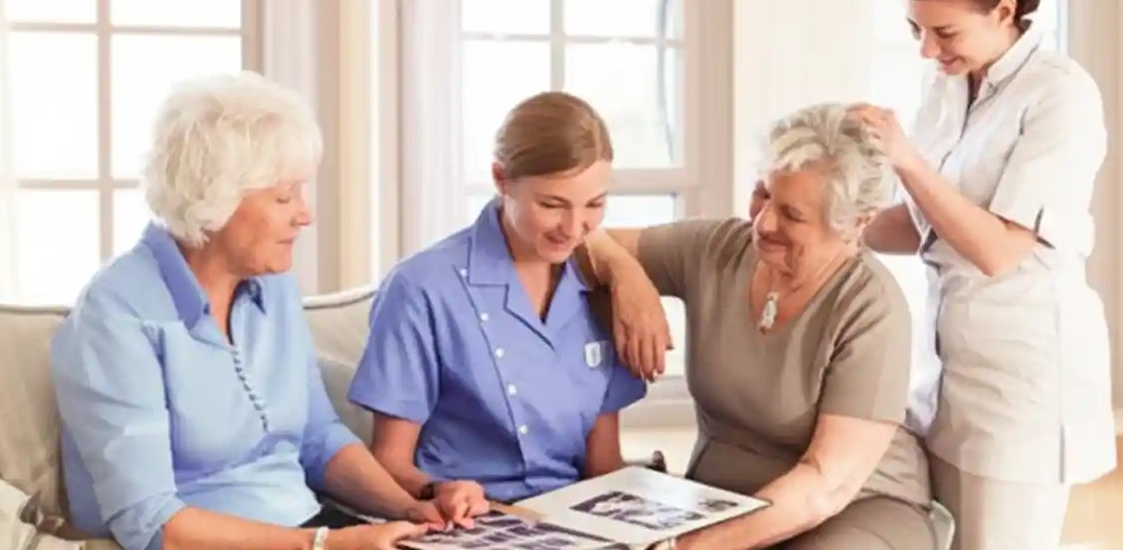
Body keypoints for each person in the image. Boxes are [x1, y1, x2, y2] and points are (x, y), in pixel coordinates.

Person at [51, 72, 441, 550]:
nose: (305, 214)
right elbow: (151, 524)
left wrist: (414, 508)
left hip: (309, 527)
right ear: (215, 198)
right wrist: (325, 545)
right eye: (284, 196)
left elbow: (318, 438)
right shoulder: (116, 315)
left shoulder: (273, 288)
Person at [851, 0, 1115, 550]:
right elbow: (926, 224)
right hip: (943, 379)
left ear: (1004, 10)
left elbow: (997, 250)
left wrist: (906, 158)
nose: (928, 50)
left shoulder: (1060, 94)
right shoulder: (946, 84)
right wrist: (831, 223)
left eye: (945, 32)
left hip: (1020, 389)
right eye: (916, 30)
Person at [579, 104, 935, 549]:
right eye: (761, 194)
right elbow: (578, 236)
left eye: (792, 215)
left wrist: (689, 548)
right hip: (723, 501)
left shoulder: (870, 307)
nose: (763, 224)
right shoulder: (718, 250)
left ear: (855, 224)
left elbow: (825, 485)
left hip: (853, 508)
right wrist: (625, 275)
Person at [348, 92, 648, 521]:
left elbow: (602, 466)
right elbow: (387, 464)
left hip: (575, 523)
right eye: (551, 205)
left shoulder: (600, 287)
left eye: (594, 205)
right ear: (500, 178)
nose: (573, 228)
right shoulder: (422, 288)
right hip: (466, 523)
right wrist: (439, 491)